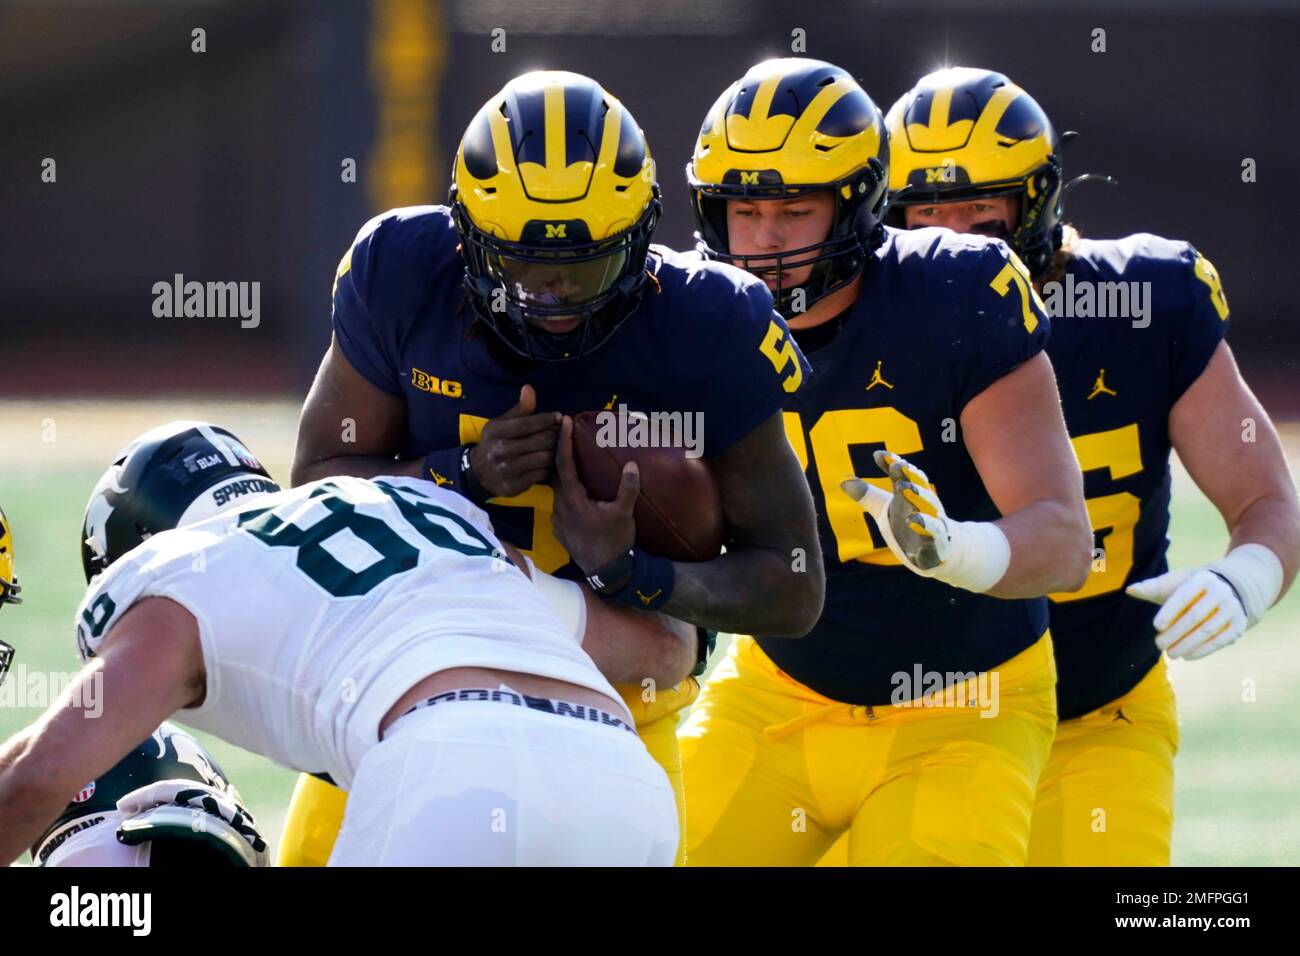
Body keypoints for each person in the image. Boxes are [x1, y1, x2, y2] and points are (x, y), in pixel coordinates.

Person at [284, 69, 823, 865]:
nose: (555, 293)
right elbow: (314, 490)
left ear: (642, 239)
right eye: (525, 265)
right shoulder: (403, 273)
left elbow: (794, 583)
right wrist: (457, 473)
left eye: (586, 264)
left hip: (618, 704)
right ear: (467, 238)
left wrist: (634, 573)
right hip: (419, 683)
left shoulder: (708, 322)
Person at [677, 57, 1091, 866]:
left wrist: (957, 550)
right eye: (745, 209)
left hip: (967, 706)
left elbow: (1065, 540)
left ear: (857, 201)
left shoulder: (955, 291)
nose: (764, 238)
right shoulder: (693, 312)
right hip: (777, 691)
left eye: (795, 209)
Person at [881, 66, 1300, 865]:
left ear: (1035, 207)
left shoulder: (1148, 301)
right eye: (928, 215)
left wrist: (1243, 577)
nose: (957, 242)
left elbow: (1266, 498)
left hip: (1095, 711)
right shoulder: (858, 317)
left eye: (983, 213)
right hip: (912, 717)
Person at [0, 420, 692, 866]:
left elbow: (36, 779)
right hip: (626, 786)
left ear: (133, 554)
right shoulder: (427, 512)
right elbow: (665, 653)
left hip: (450, 770)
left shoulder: (175, 579)